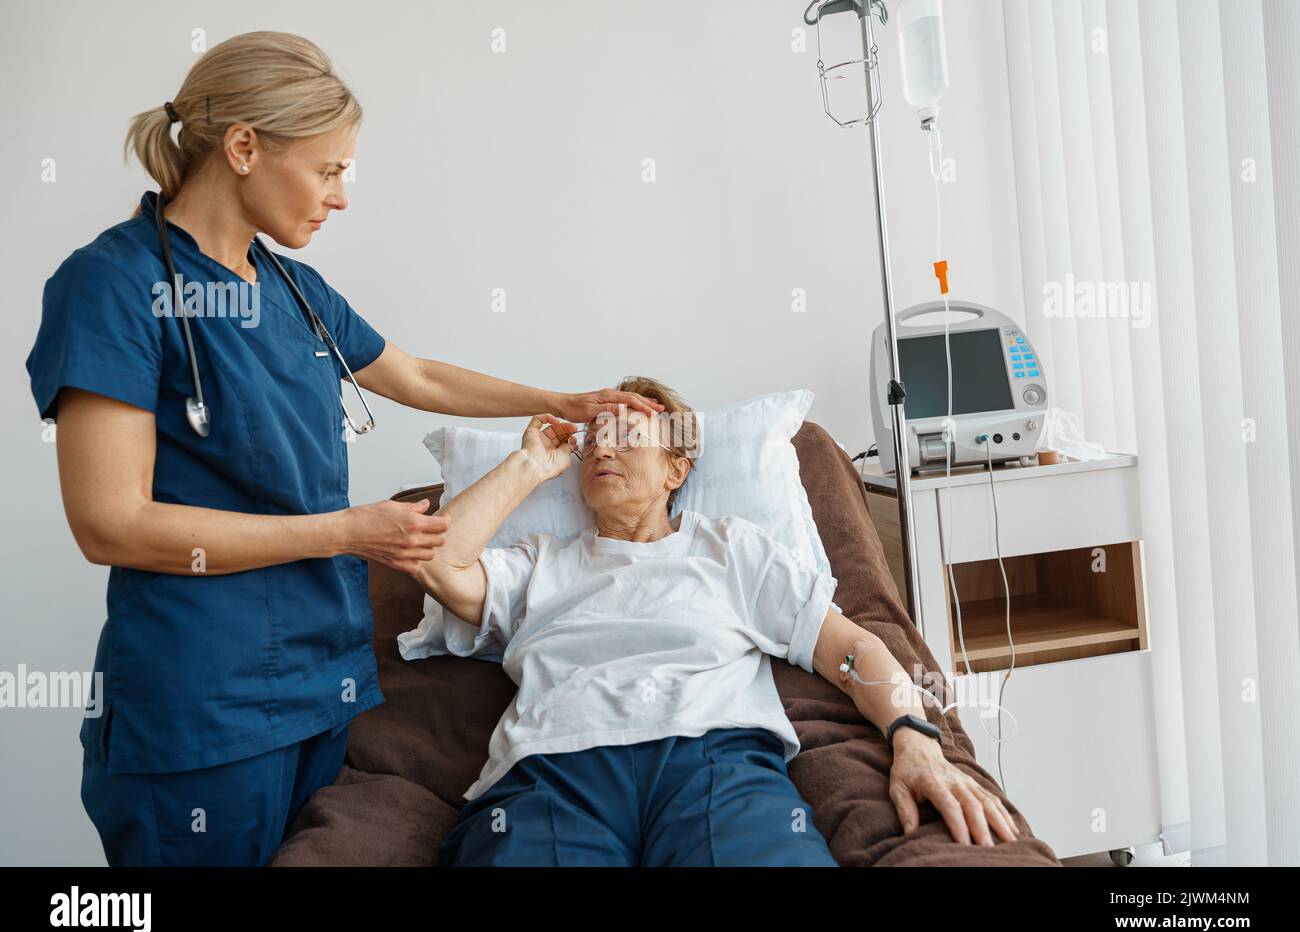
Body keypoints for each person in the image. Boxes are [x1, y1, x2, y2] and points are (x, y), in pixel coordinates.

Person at [25, 30, 663, 866]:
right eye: (328, 171)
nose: (341, 197)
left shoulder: (292, 285)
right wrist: (346, 532)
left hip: (319, 687)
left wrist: (554, 400)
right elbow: (110, 523)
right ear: (244, 148)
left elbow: (420, 378)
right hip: (202, 706)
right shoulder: (114, 285)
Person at [417, 376, 1022, 865]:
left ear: (676, 470)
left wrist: (914, 737)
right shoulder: (541, 561)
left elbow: (851, 651)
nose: (602, 446)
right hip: (555, 769)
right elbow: (440, 561)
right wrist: (525, 466)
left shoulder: (733, 550)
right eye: (594, 438)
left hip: (714, 763)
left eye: (629, 435)